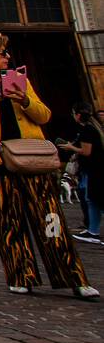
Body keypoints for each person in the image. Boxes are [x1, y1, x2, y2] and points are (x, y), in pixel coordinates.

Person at [0, 31, 97, 298]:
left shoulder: (20, 81)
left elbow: (44, 115)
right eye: (1, 53)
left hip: (31, 156)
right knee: (8, 219)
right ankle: (21, 275)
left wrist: (25, 100)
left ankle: (72, 275)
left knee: (50, 217)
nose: (7, 57)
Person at [59, 102, 103, 245]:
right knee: (93, 201)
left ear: (78, 115)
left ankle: (93, 232)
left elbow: (86, 151)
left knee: (98, 200)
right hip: (94, 170)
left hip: (94, 170)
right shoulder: (93, 128)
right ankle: (93, 232)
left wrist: (71, 147)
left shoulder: (87, 131)